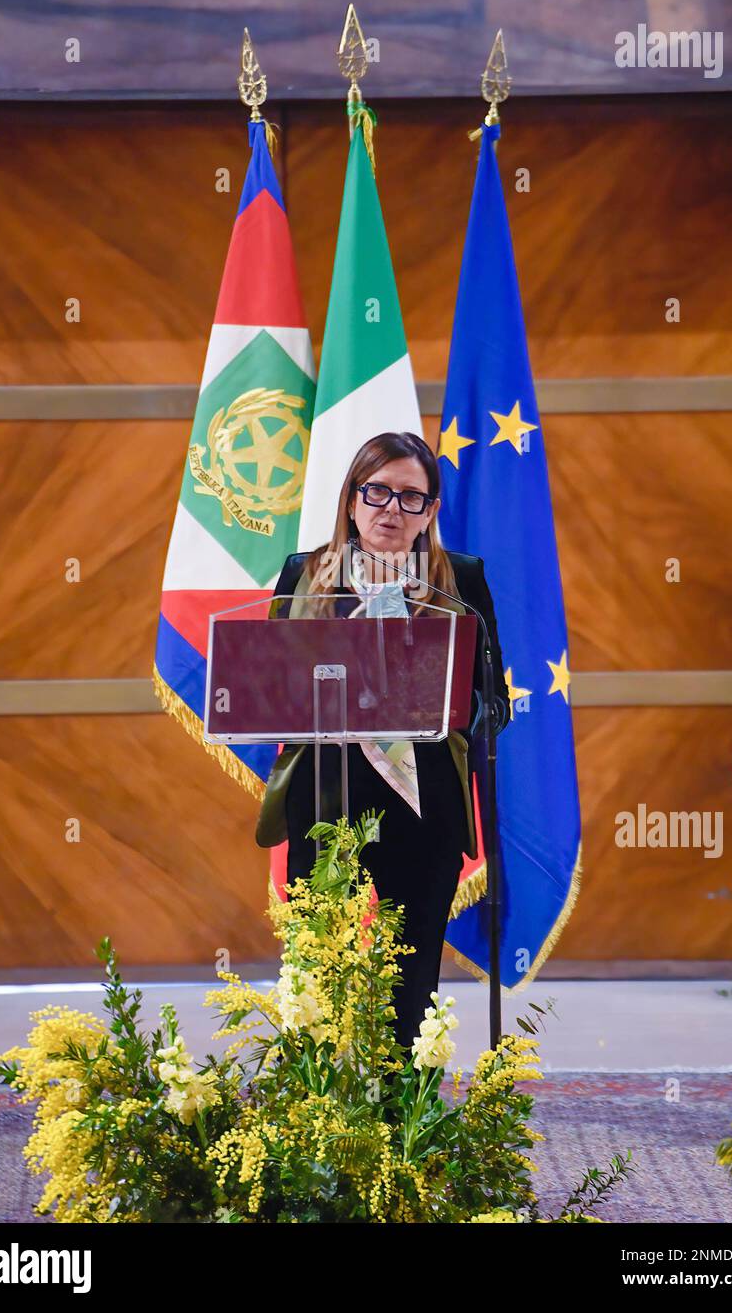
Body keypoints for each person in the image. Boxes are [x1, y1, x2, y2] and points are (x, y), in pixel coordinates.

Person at [255, 431, 510, 1052]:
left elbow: (495, 700)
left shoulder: (461, 580)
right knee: (315, 963)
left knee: (413, 966)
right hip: (324, 796)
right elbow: (268, 686)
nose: (392, 510)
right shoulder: (305, 574)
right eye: (377, 493)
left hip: (426, 803)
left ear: (431, 512)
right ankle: (315, 1110)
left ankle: (403, 1119)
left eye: (411, 498)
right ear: (351, 501)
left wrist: (455, 708)